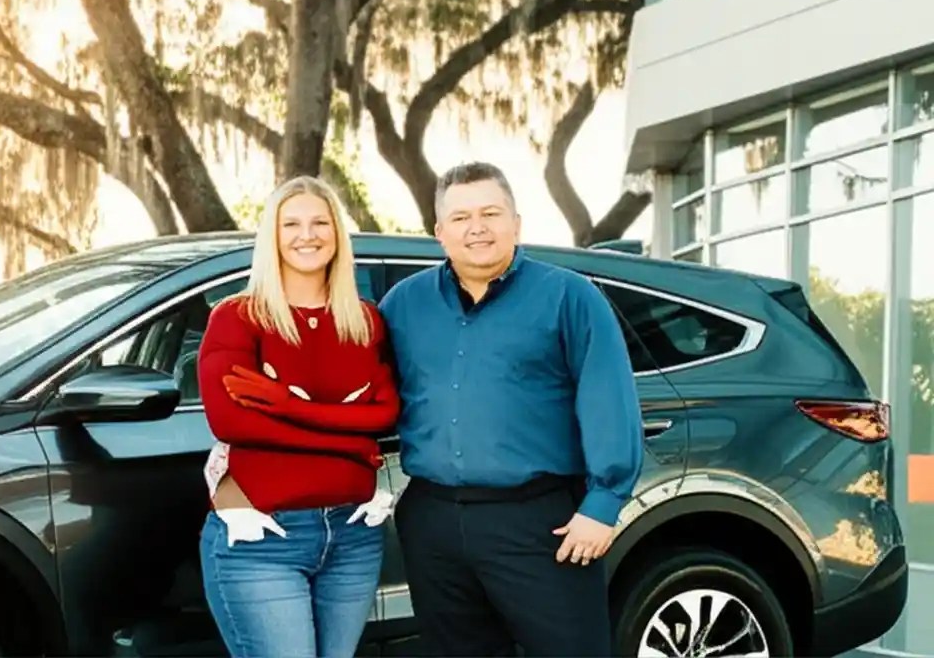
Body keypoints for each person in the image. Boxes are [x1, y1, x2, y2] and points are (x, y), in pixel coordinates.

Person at [378, 162, 644, 657]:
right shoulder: (403, 304)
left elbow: (608, 398)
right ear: (439, 232)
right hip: (432, 520)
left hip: (541, 521)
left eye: (490, 213)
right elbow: (367, 390)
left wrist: (603, 504)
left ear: (516, 223)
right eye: (459, 218)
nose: (476, 227)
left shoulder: (570, 297)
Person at [196, 175, 401, 658]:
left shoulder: (365, 320)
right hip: (264, 538)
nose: (306, 235)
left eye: (318, 222)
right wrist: (350, 440)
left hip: (355, 536)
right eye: (290, 224)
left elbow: (386, 413)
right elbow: (232, 423)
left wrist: (289, 406)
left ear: (337, 233)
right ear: (272, 235)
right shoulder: (238, 317)